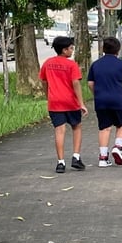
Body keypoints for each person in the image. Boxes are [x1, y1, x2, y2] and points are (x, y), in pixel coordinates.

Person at [39, 35, 88, 173]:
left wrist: (48, 95)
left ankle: (60, 162)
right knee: (77, 127)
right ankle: (76, 157)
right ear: (64, 50)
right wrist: (81, 103)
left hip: (55, 102)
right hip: (70, 102)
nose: (72, 51)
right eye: (71, 48)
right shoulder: (71, 65)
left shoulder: (48, 63)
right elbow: (75, 83)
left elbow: (43, 81)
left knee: (59, 131)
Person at [87, 36, 122, 167]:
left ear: (103, 49)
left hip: (101, 100)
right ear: (118, 50)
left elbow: (90, 83)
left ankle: (103, 158)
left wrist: (97, 94)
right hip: (118, 99)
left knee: (104, 128)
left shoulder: (95, 64)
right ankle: (118, 147)